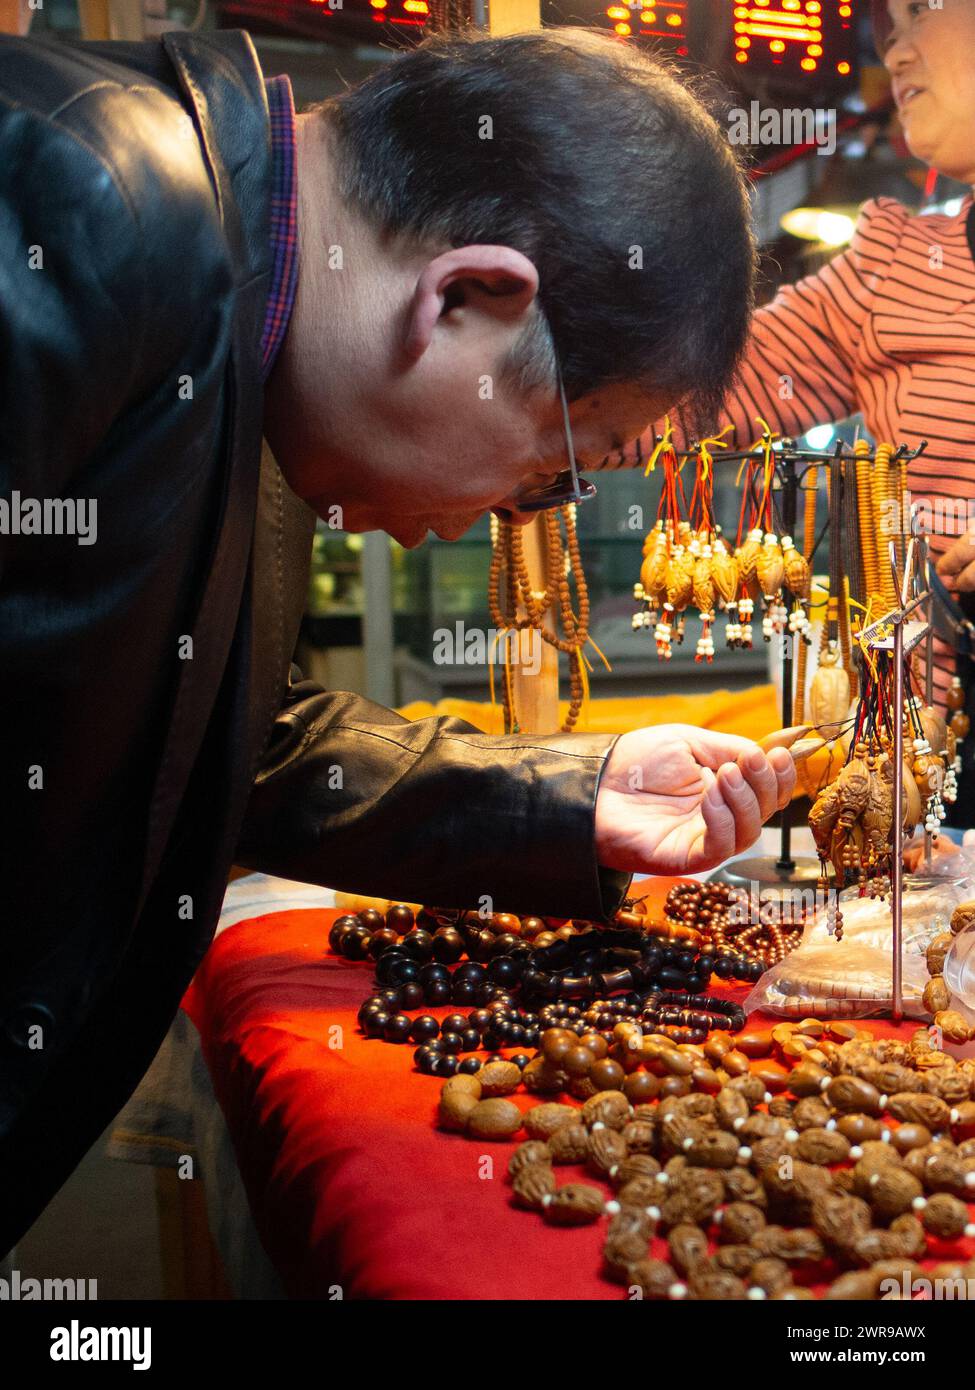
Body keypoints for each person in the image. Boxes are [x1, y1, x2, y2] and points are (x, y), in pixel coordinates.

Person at [0, 28, 794, 1252]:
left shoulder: (244, 352)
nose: (506, 518)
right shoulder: (68, 200)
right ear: (468, 299)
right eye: (553, 473)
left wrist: (570, 797)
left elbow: (209, 733)